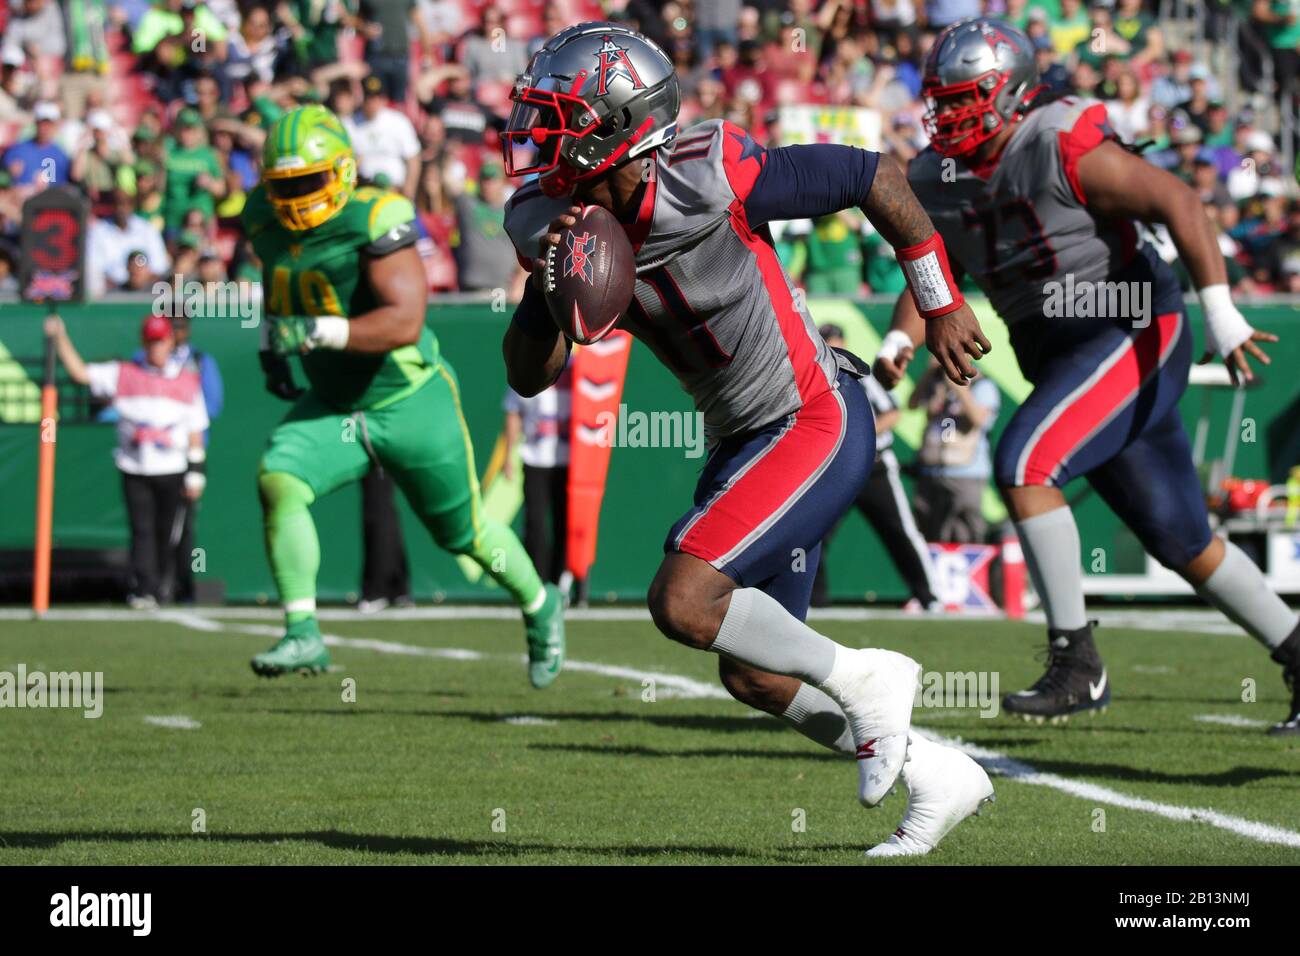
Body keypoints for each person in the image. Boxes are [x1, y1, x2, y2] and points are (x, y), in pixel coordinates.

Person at [502, 22, 994, 857]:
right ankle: (936, 773)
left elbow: (872, 174)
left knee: (683, 601)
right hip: (742, 441)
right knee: (753, 670)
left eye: (560, 118)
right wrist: (549, 286)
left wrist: (938, 297)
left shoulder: (709, 168)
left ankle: (875, 679)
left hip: (814, 414)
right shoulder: (549, 216)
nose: (538, 137)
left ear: (619, 124)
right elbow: (527, 372)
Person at [875, 18, 1300, 735]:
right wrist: (897, 338)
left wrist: (1221, 313)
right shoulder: (934, 175)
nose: (948, 117)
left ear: (1009, 92)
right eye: (940, 102)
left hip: (1131, 328)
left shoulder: (1059, 140)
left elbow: (1180, 201)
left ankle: (1077, 663)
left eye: (963, 100)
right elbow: (929, 261)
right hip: (1061, 354)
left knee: (1025, 462)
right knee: (1181, 539)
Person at [242, 104, 565, 686]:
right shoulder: (262, 218)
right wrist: (272, 344)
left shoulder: (375, 215)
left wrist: (320, 332)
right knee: (278, 478)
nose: (296, 197)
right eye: (284, 185)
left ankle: (541, 605)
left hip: (408, 397)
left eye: (310, 181)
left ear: (342, 172)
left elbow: (405, 321)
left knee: (463, 535)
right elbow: (280, 283)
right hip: (337, 404)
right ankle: (303, 632)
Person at [45, 314, 208, 608]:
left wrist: (196, 473)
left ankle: (169, 587)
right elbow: (81, 374)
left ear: (170, 341)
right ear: (144, 342)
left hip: (173, 469)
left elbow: (196, 431)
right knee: (141, 530)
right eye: (152, 341)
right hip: (135, 467)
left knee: (170, 532)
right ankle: (143, 588)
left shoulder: (187, 380)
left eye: (161, 340)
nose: (156, 347)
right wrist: (59, 338)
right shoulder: (124, 373)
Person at [811, 324, 941, 610]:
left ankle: (930, 595)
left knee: (901, 530)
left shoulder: (857, 376)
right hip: (836, 467)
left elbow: (892, 413)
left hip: (874, 465)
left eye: (837, 345)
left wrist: (858, 436)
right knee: (813, 532)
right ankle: (814, 599)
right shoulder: (812, 380)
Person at [909, 358, 1000, 544]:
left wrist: (959, 387)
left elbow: (979, 420)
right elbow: (912, 404)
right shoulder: (935, 380)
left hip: (965, 472)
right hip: (931, 469)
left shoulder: (982, 385)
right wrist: (929, 374)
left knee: (965, 532)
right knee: (928, 532)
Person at [502, 362, 573, 587]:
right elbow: (514, 412)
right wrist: (507, 456)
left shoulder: (579, 368)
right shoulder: (528, 364)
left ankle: (559, 580)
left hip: (570, 460)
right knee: (535, 524)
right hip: (534, 458)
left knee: (565, 523)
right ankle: (537, 582)